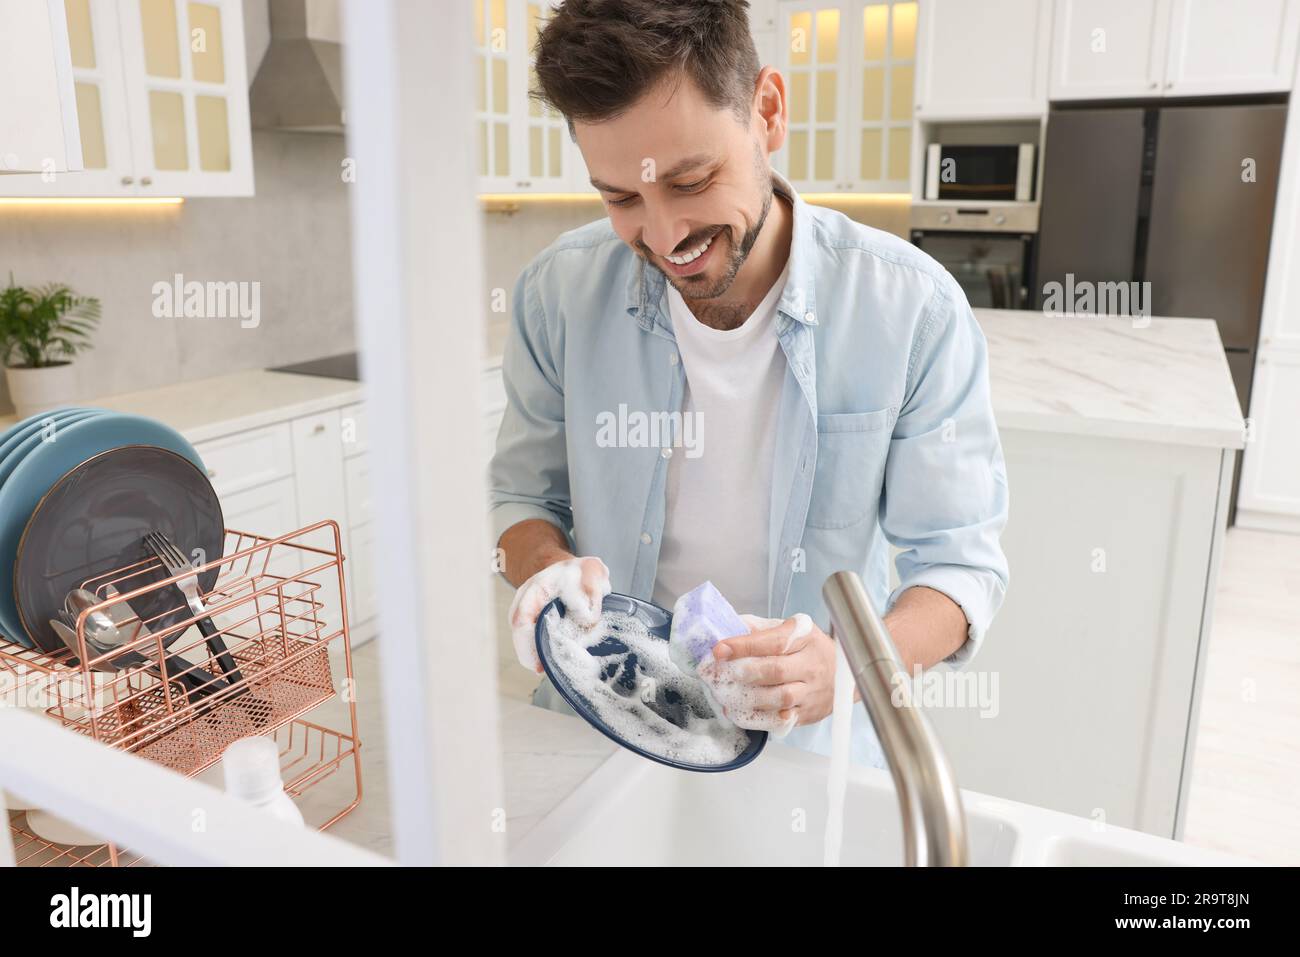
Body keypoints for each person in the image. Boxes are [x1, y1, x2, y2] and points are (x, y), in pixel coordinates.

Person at [489, 0, 1008, 766]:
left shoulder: (911, 311)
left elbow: (959, 568)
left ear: (767, 111)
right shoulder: (556, 296)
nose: (666, 238)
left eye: (692, 179)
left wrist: (850, 666)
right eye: (622, 197)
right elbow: (522, 502)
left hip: (802, 757)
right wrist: (545, 569)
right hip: (596, 729)